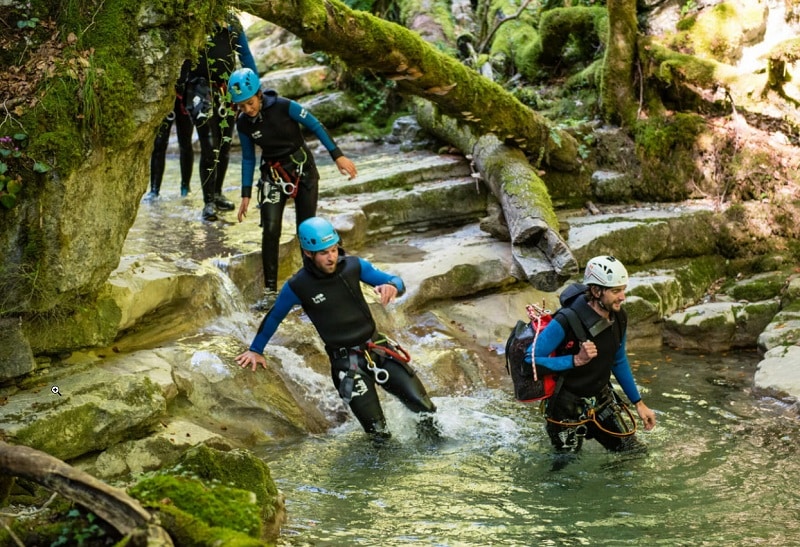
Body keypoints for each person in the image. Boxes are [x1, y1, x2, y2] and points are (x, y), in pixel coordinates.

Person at [235, 217, 438, 442]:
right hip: (347, 365)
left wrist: (392, 286)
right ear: (308, 253)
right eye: (323, 253)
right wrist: (255, 349)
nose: (331, 257)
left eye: (333, 249)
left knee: (426, 410)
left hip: (377, 349)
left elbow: (395, 280)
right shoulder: (297, 286)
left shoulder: (353, 266)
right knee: (379, 435)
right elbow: (273, 318)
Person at [227, 67, 358, 311]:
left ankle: (312, 285)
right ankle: (269, 292)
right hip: (273, 174)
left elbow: (316, 125)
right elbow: (247, 158)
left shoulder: (285, 106)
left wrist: (337, 156)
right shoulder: (244, 123)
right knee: (270, 229)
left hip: (302, 170)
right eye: (241, 106)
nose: (247, 109)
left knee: (305, 229)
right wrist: (245, 193)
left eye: (249, 103)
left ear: (259, 94)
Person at [532, 255, 656, 460]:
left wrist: (639, 403)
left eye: (623, 289)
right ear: (597, 291)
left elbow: (618, 359)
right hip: (565, 409)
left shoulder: (619, 316)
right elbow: (531, 361)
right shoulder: (566, 319)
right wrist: (575, 360)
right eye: (616, 291)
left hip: (601, 401)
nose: (623, 297)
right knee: (565, 468)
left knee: (634, 454)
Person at [184, 11, 257, 221]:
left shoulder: (232, 22)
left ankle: (217, 193)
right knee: (208, 146)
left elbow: (245, 56)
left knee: (224, 144)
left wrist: (255, 87)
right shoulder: (196, 19)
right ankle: (208, 202)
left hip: (228, 89)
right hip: (199, 88)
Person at [147, 60, 194, 199]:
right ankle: (154, 189)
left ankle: (185, 187)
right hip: (166, 93)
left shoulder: (192, 46)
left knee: (185, 143)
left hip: (185, 96)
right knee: (159, 143)